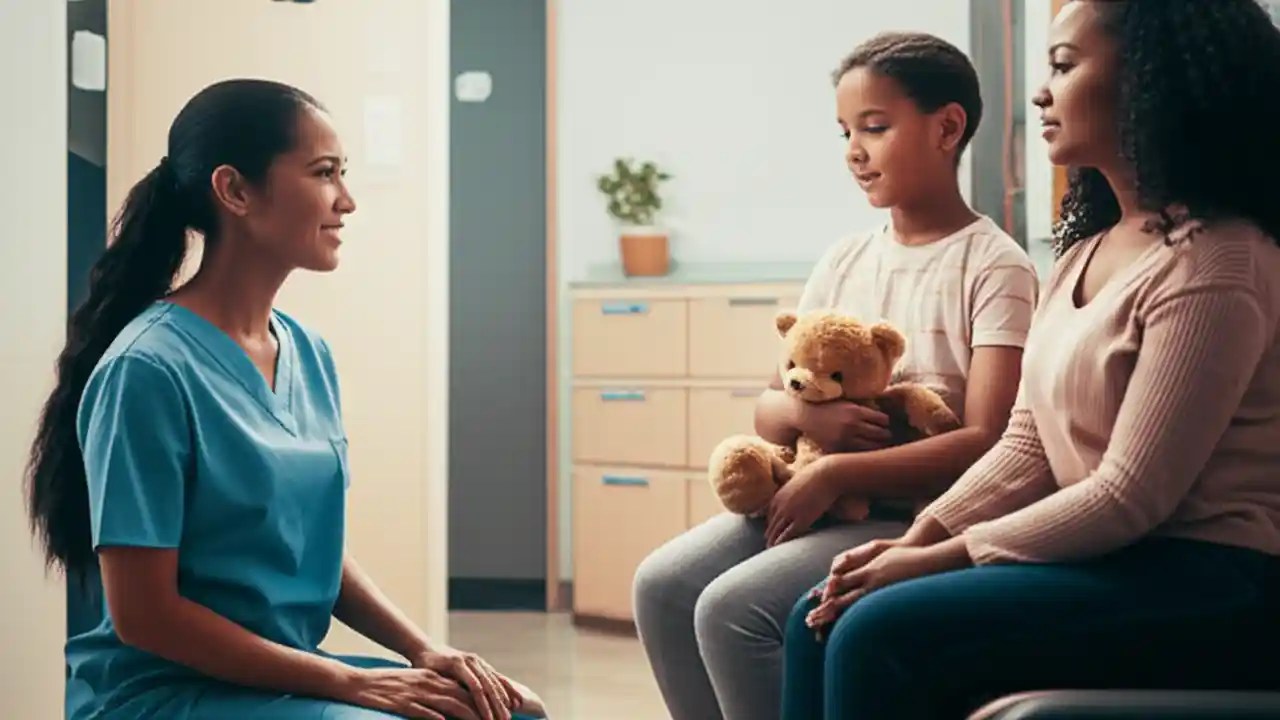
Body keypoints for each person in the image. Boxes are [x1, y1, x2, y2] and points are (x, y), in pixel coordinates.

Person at [780, 1, 1280, 718]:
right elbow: (1027, 445)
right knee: (817, 614)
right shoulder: (1084, 253)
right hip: (1119, 561)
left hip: (1213, 578)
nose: (1040, 92)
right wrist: (915, 536)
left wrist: (933, 560)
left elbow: (1128, 495)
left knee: (876, 632)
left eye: (1065, 65)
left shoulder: (1217, 261)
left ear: (1152, 78)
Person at [25, 79, 547, 720]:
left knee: (517, 713)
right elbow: (145, 618)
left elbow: (315, 551)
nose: (347, 201)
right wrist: (351, 683)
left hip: (286, 674)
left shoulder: (307, 353)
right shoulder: (148, 371)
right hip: (166, 693)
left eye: (343, 174)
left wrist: (422, 649)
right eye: (324, 174)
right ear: (236, 191)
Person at [632, 32, 1039, 720]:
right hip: (818, 497)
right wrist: (807, 423)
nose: (854, 149)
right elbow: (771, 404)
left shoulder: (995, 267)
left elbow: (989, 440)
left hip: (911, 517)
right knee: (663, 585)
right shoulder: (845, 259)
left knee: (734, 611)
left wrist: (836, 474)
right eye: (846, 131)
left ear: (947, 128)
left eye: (875, 128)